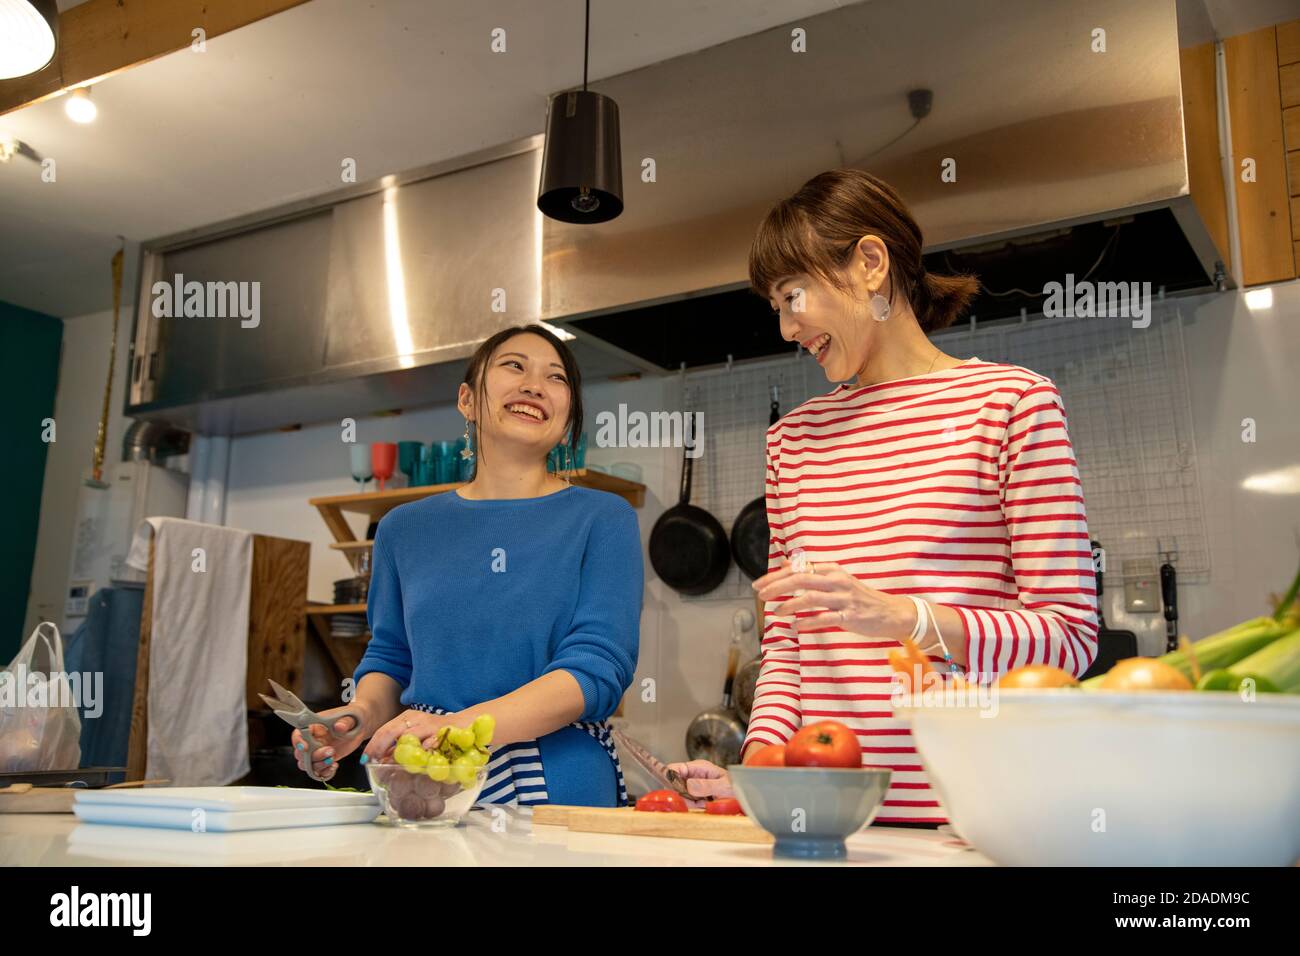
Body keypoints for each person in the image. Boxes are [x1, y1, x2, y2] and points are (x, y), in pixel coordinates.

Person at [669, 169, 1099, 825]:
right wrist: (759, 773)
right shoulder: (793, 441)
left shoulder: (1012, 406)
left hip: (980, 818)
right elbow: (788, 647)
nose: (786, 328)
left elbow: (1067, 639)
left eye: (792, 296)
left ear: (871, 263)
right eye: (775, 308)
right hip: (831, 823)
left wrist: (904, 618)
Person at [293, 324, 643, 807]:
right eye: (514, 366)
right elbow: (392, 657)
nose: (534, 385)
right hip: (421, 778)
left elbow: (597, 669)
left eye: (556, 378)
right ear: (468, 401)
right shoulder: (404, 528)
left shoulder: (603, 519)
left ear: (568, 419)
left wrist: (459, 727)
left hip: (557, 780)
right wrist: (361, 717)